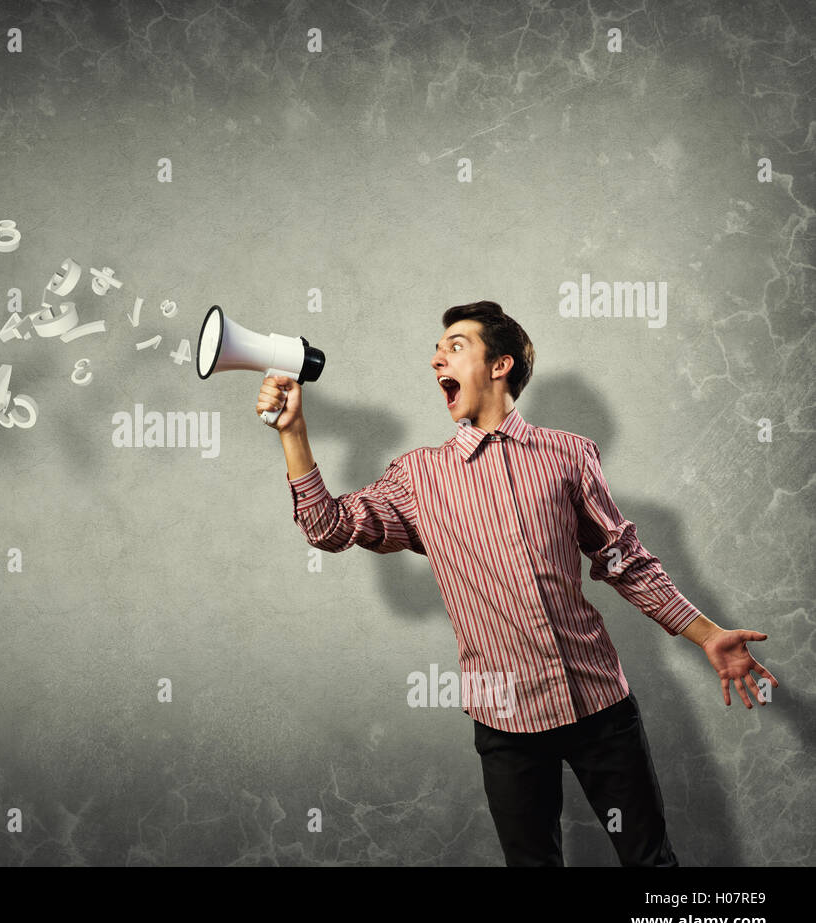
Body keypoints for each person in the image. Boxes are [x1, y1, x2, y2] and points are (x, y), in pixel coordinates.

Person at [257, 300, 779, 867]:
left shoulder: (569, 455)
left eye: (455, 345)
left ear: (500, 364)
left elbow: (625, 560)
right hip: (505, 721)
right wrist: (294, 431)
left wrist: (706, 635)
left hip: (601, 704)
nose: (436, 359)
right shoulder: (418, 477)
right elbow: (327, 527)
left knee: (651, 862)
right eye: (437, 350)